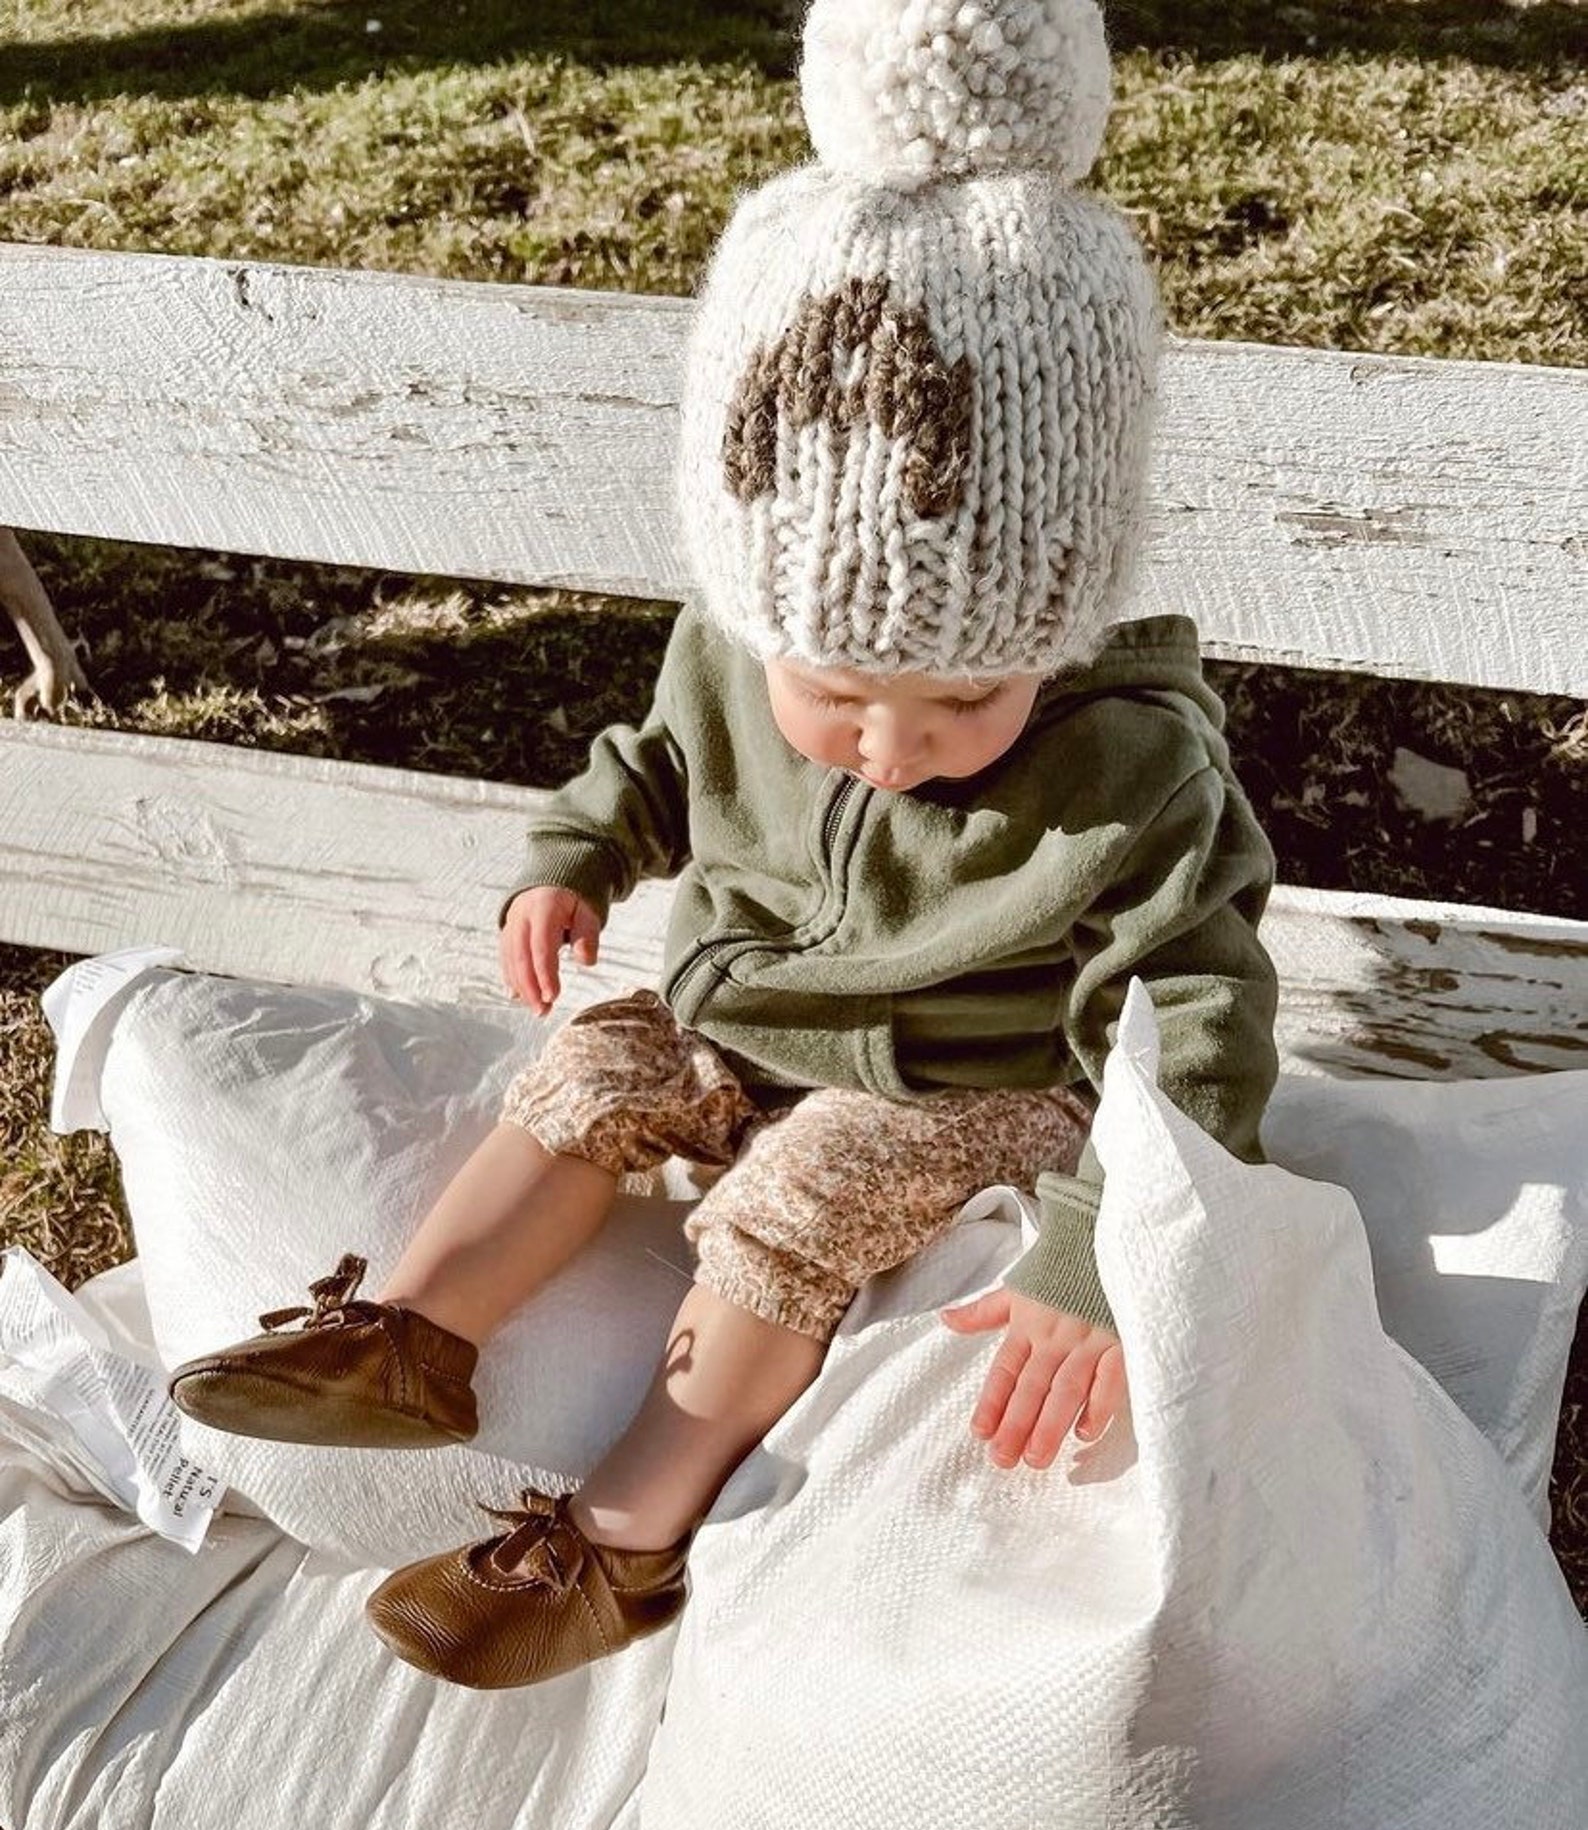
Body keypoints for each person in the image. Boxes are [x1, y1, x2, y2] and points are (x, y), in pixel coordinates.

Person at [168, 0, 1279, 1692]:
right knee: (597, 1064)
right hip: (743, 1020)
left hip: (965, 1081)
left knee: (797, 1196)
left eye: (965, 700)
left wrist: (1100, 1247)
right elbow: (659, 757)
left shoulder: (1131, 764)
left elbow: (1204, 1015)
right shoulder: (733, 645)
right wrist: (577, 858)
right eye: (833, 695)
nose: (891, 749)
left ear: (1057, 637)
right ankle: (414, 1333)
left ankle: (624, 1532)